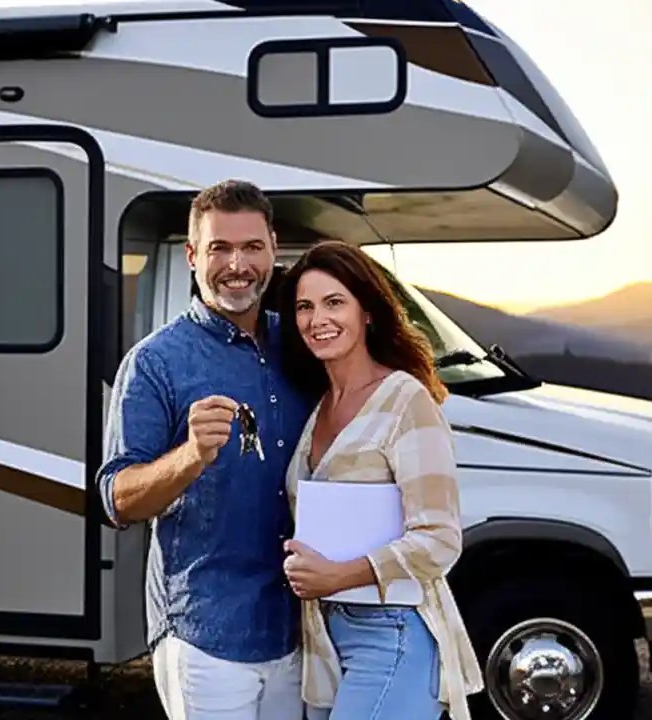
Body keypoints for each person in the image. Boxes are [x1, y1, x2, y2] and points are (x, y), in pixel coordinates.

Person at [96, 180, 315, 719]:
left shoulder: (303, 344)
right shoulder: (154, 363)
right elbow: (118, 500)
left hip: (297, 631)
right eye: (219, 248)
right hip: (205, 634)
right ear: (193, 256)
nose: (237, 264)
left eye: (251, 247)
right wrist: (191, 455)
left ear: (272, 249)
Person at [274, 240, 485, 720]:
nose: (317, 319)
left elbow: (439, 539)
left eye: (334, 303)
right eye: (305, 307)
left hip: (393, 633)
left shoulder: (405, 400)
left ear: (367, 310)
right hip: (328, 638)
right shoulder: (318, 405)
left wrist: (338, 575)